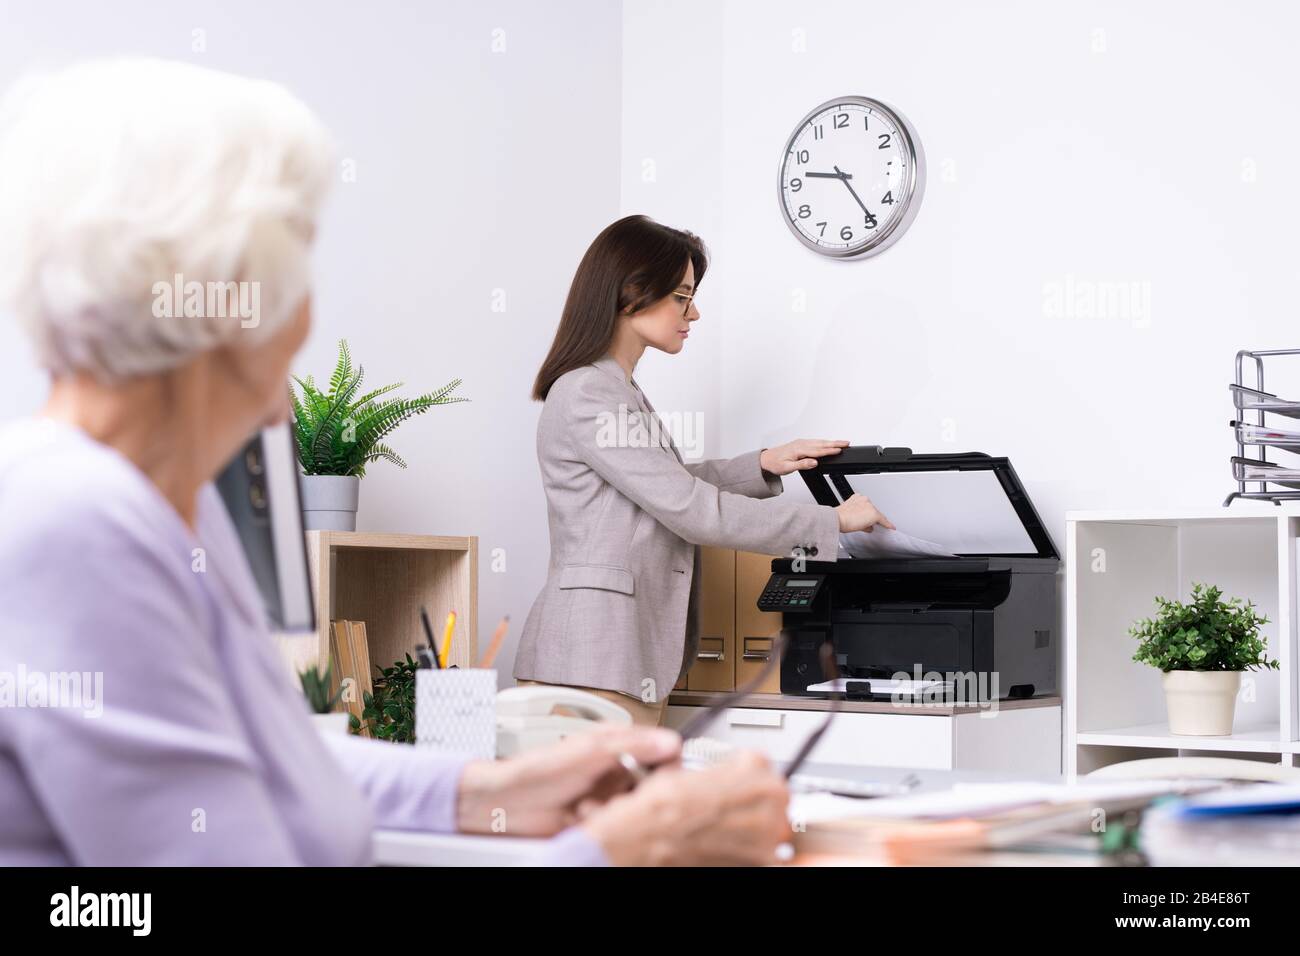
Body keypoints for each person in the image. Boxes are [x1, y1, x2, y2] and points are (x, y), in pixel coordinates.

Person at [0, 58, 789, 866]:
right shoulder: (74, 527)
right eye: (296, 259)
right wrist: (613, 850)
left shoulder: (176, 507)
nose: (306, 304)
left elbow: (276, 756)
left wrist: (485, 793)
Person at [514, 215, 894, 723]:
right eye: (681, 295)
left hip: (614, 662)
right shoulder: (589, 392)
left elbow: (659, 485)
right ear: (632, 293)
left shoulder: (614, 389)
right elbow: (691, 510)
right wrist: (832, 522)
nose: (693, 313)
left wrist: (761, 464)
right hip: (591, 662)